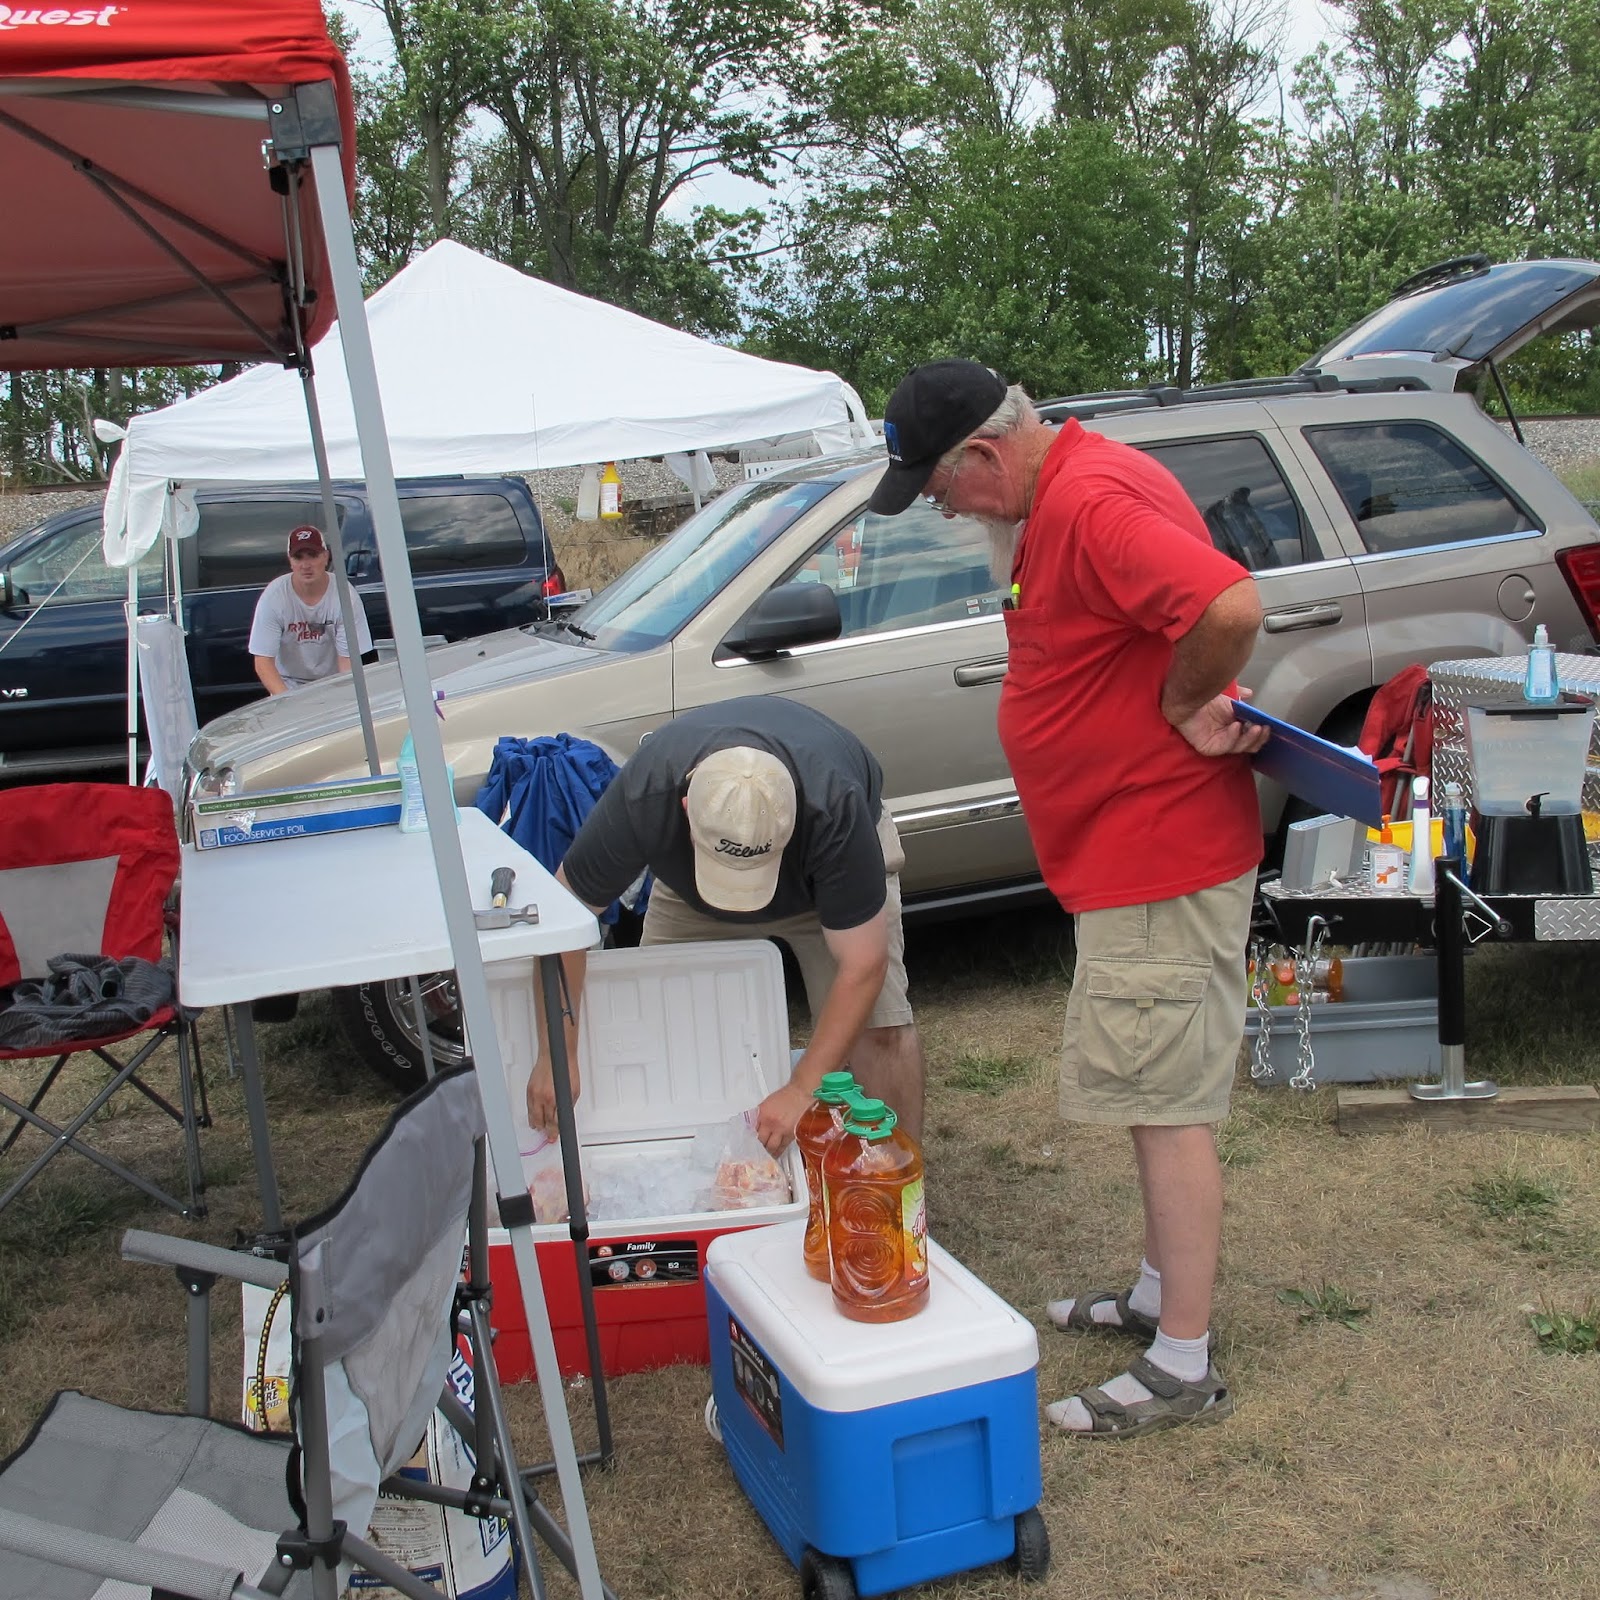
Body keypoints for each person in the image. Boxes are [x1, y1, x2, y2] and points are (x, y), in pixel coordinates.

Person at [869, 359, 1268, 1439]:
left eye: (942, 488)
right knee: (1147, 1085)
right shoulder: (1062, 492)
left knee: (1165, 1101)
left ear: (985, 456)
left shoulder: (1085, 501)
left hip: (1160, 852)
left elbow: (1229, 603)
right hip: (1126, 855)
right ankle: (1153, 1294)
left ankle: (1182, 1361)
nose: (943, 508)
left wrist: (1186, 701)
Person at [524, 697, 927, 1156]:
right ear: (685, 806)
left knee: (880, 1030)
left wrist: (800, 1090)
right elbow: (564, 922)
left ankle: (896, 1193)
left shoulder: (834, 805)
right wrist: (557, 1054)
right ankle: (680, 1162)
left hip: (820, 885)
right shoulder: (646, 793)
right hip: (689, 888)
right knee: (653, 1020)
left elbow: (863, 964)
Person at [248, 524, 371, 695]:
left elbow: (347, 662)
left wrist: (346, 697)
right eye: (298, 557)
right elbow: (263, 661)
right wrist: (286, 700)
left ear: (326, 556)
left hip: (334, 683)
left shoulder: (345, 595)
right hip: (288, 683)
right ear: (290, 561)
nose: (306, 565)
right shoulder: (274, 597)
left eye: (313, 555)